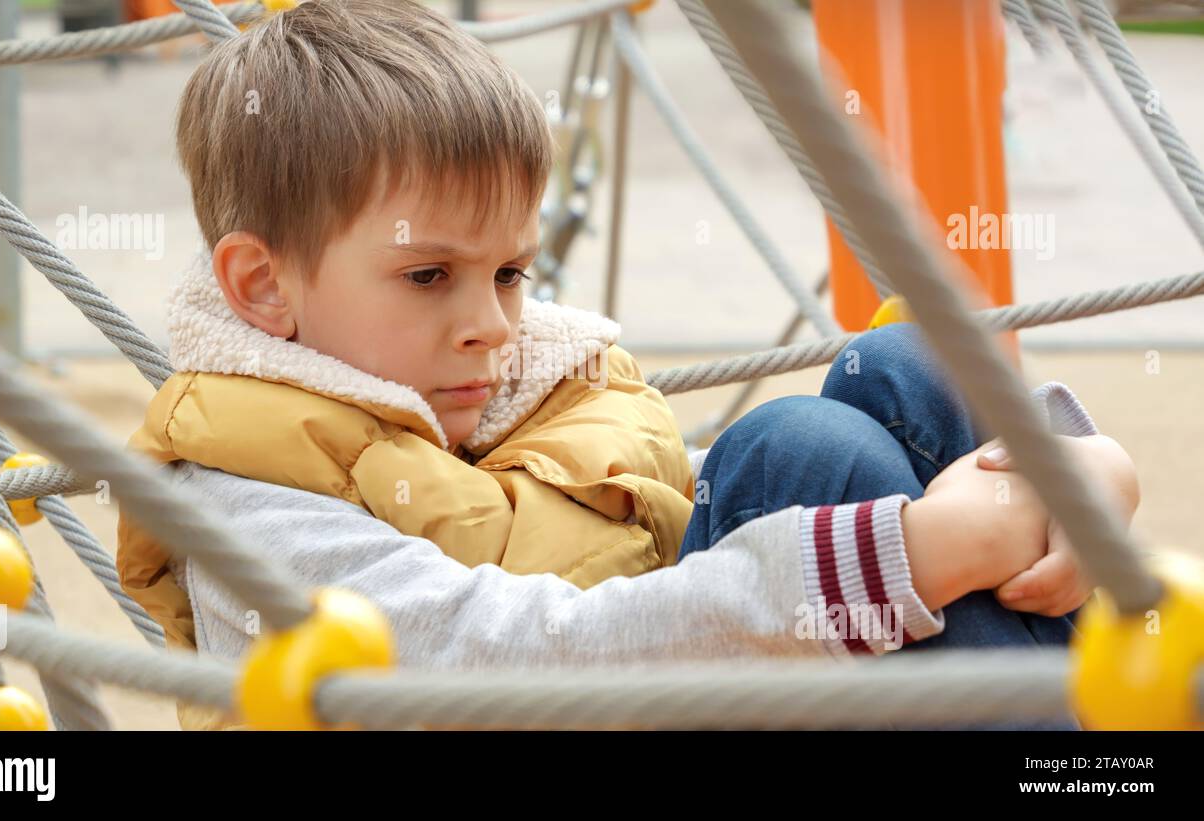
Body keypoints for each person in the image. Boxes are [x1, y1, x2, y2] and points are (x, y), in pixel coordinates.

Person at [113, 0, 1139, 730]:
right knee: (800, 446)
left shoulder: (516, 388)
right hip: (570, 694)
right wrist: (899, 556)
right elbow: (497, 662)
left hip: (677, 679)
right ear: (261, 287)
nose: (490, 323)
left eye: (511, 270)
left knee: (897, 369)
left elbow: (663, 497)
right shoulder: (247, 494)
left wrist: (1069, 473)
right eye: (428, 275)